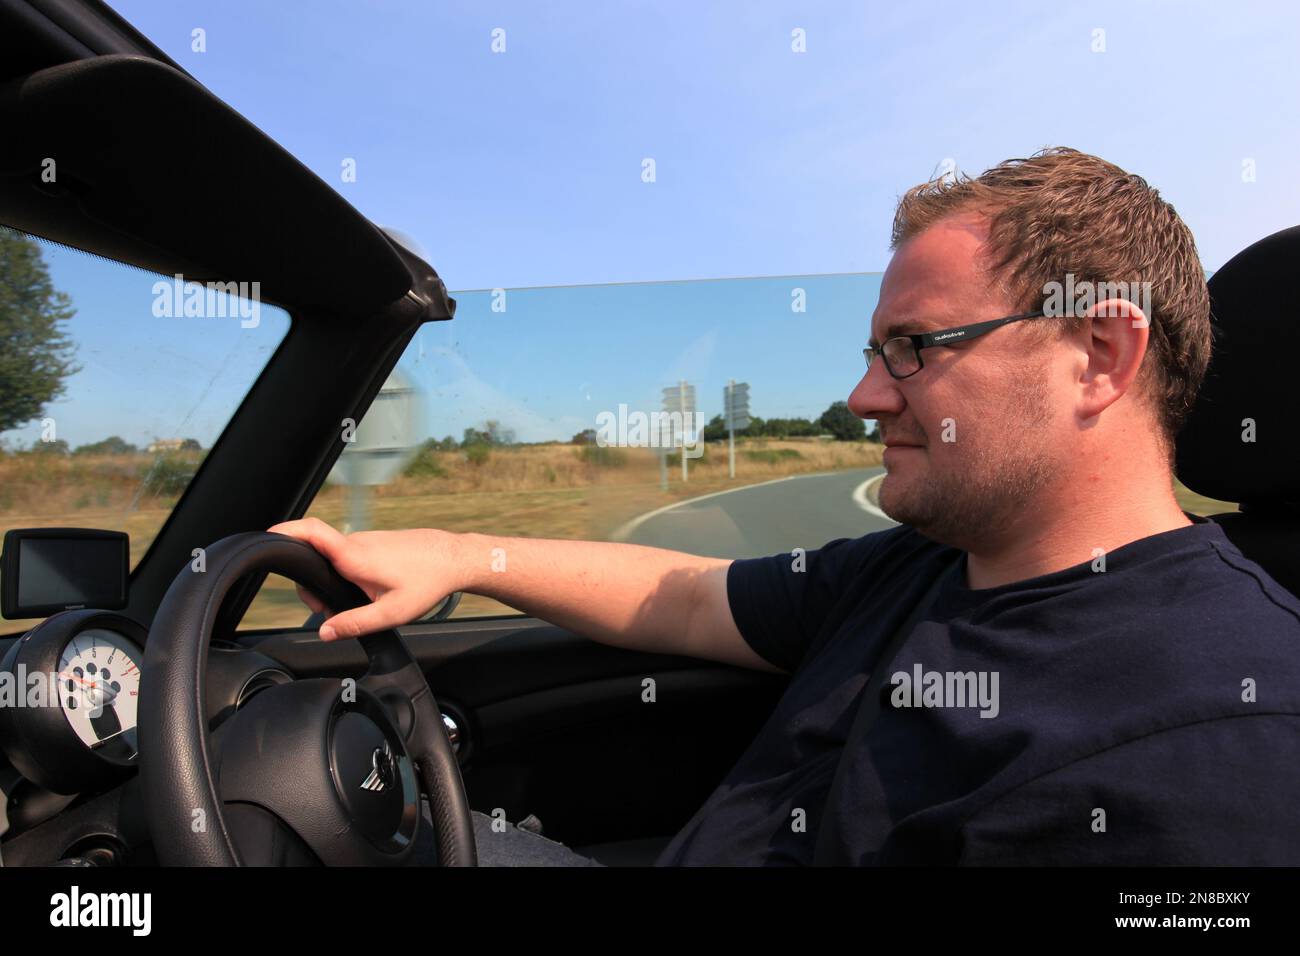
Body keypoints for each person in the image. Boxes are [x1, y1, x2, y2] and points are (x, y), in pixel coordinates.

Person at [273, 148, 1300, 866]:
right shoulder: (925, 562)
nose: (864, 396)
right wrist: (460, 553)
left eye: (915, 347)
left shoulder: (1226, 748)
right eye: (872, 350)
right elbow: (687, 596)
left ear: (1097, 354)